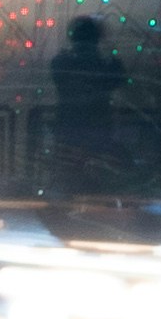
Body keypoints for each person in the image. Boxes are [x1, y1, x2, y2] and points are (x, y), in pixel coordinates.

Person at [50, 11, 127, 202]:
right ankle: (94, 203)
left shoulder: (62, 62)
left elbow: (58, 74)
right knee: (96, 174)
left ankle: (68, 207)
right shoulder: (104, 64)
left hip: (69, 126)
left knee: (70, 173)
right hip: (98, 126)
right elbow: (119, 77)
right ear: (97, 38)